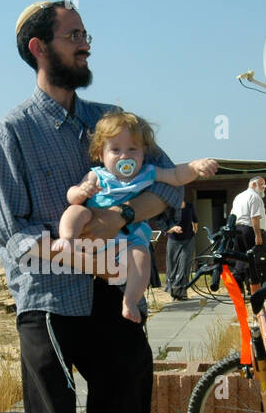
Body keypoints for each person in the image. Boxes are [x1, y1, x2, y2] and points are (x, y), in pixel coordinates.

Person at [0, 0, 182, 413]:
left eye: (86, 35)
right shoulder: (10, 134)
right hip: (48, 305)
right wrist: (93, 251)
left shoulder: (114, 123)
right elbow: (13, 235)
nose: (85, 45)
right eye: (74, 36)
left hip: (115, 301)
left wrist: (115, 218)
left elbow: (167, 187)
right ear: (39, 48)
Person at [53, 111, 216, 322]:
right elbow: (71, 196)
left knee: (142, 256)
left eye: (132, 149)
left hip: (129, 239)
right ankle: (67, 240)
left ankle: (130, 300)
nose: (124, 156)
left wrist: (194, 167)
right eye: (115, 150)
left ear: (143, 152)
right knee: (76, 211)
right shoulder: (97, 174)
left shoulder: (147, 172)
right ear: (100, 155)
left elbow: (176, 176)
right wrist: (83, 190)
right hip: (92, 227)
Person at [231, 176, 266, 286]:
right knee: (252, 259)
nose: (264, 188)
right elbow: (255, 217)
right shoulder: (255, 197)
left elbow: (232, 215)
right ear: (254, 185)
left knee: (241, 256)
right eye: (262, 185)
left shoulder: (239, 196)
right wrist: (258, 235)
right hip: (250, 230)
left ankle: (239, 281)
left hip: (238, 230)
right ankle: (250, 284)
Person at [165, 197, 197, 300]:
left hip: (188, 240)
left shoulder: (189, 206)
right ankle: (173, 291)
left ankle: (182, 291)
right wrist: (174, 228)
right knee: (172, 266)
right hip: (173, 240)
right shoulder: (169, 208)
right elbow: (165, 228)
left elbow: (195, 221)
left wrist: (194, 231)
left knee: (184, 266)